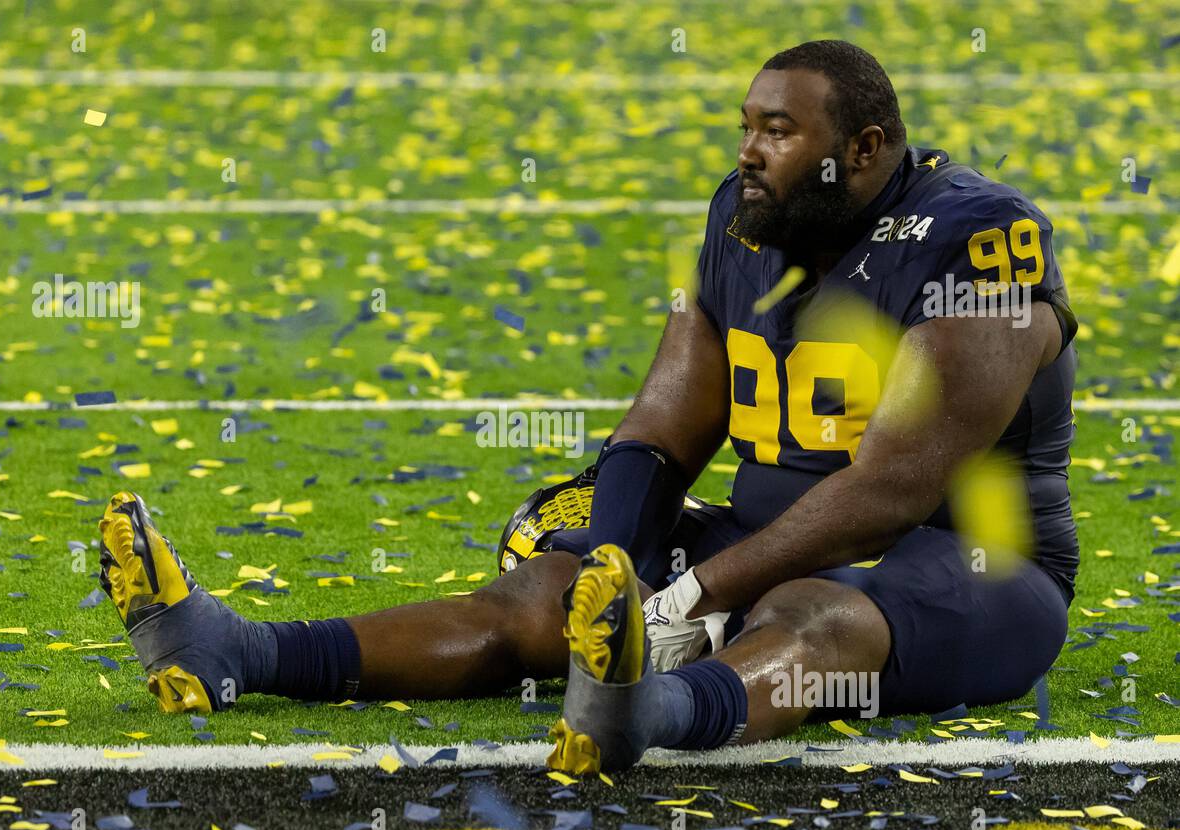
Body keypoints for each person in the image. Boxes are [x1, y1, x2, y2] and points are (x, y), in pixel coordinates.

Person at [98, 39, 1078, 775]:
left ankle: (644, 711)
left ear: (863, 149)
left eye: (777, 132)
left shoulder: (977, 238)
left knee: (809, 610)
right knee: (545, 586)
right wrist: (610, 565)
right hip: (768, 535)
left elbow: (895, 486)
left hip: (968, 569)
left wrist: (692, 595)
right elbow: (660, 423)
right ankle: (241, 650)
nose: (748, 151)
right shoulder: (744, 228)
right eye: (744, 125)